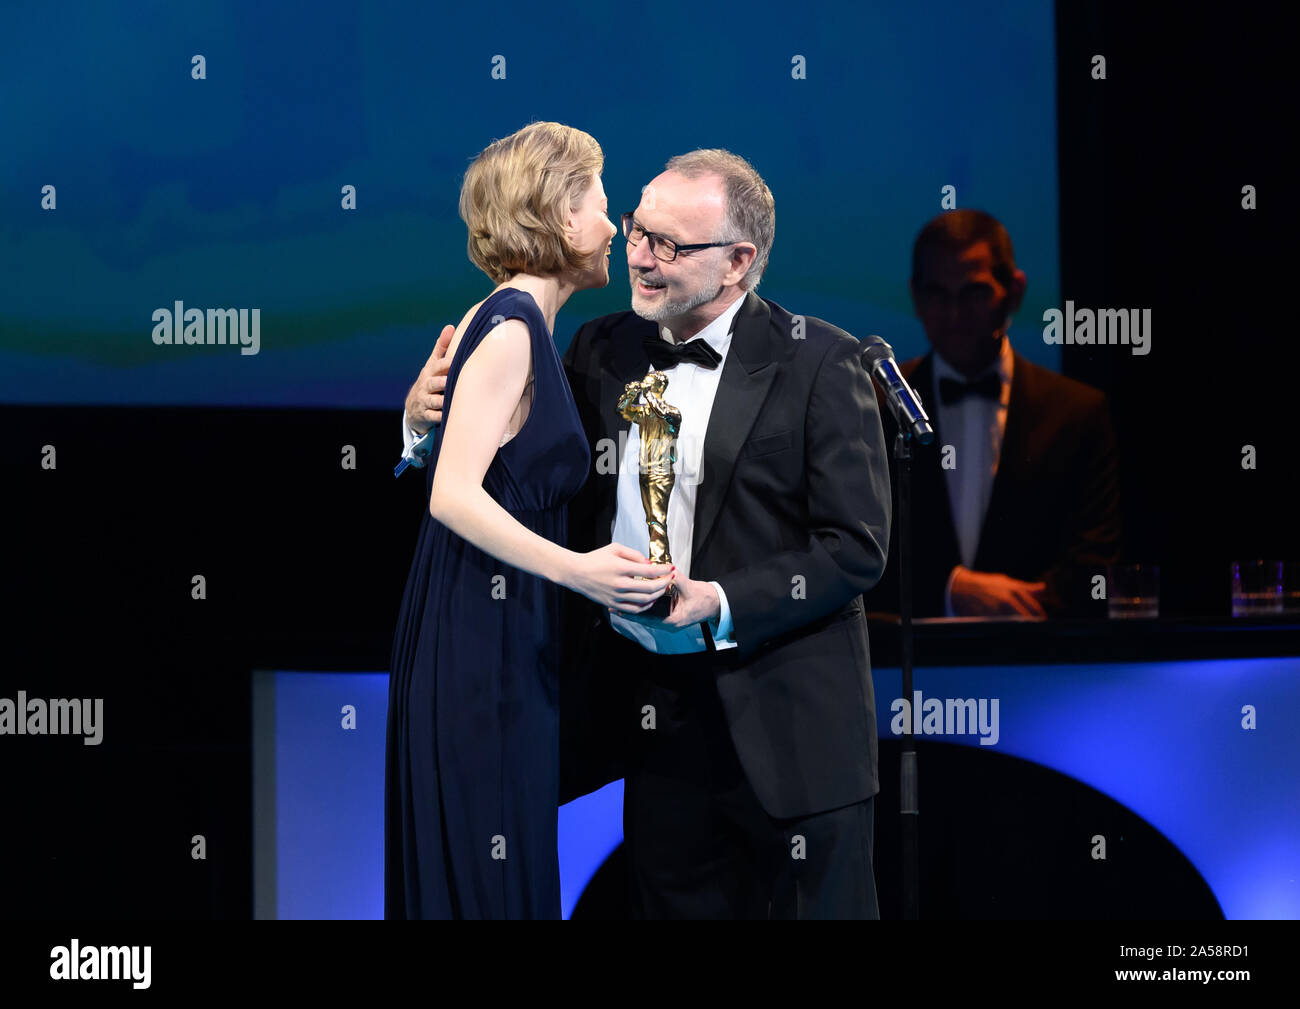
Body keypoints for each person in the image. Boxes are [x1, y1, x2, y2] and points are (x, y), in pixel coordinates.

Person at [404, 149, 891, 918]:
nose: (640, 256)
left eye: (670, 246)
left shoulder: (823, 362)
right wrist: (420, 420)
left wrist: (720, 600)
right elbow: (510, 475)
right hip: (654, 722)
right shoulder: (599, 347)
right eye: (637, 231)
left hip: (791, 733)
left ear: (739, 262)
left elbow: (856, 546)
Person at [385, 122, 674, 920]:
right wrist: (580, 571)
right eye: (600, 204)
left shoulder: (521, 325)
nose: (615, 227)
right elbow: (453, 493)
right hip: (480, 639)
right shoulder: (512, 327)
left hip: (502, 631)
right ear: (552, 214)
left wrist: (415, 425)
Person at [862, 209, 1121, 619]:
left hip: (1046, 668)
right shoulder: (873, 406)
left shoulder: (1079, 414)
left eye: (974, 293)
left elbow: (1096, 566)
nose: (954, 314)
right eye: (938, 295)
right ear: (915, 297)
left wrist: (1023, 611)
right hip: (906, 674)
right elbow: (848, 557)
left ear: (1014, 292)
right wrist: (950, 590)